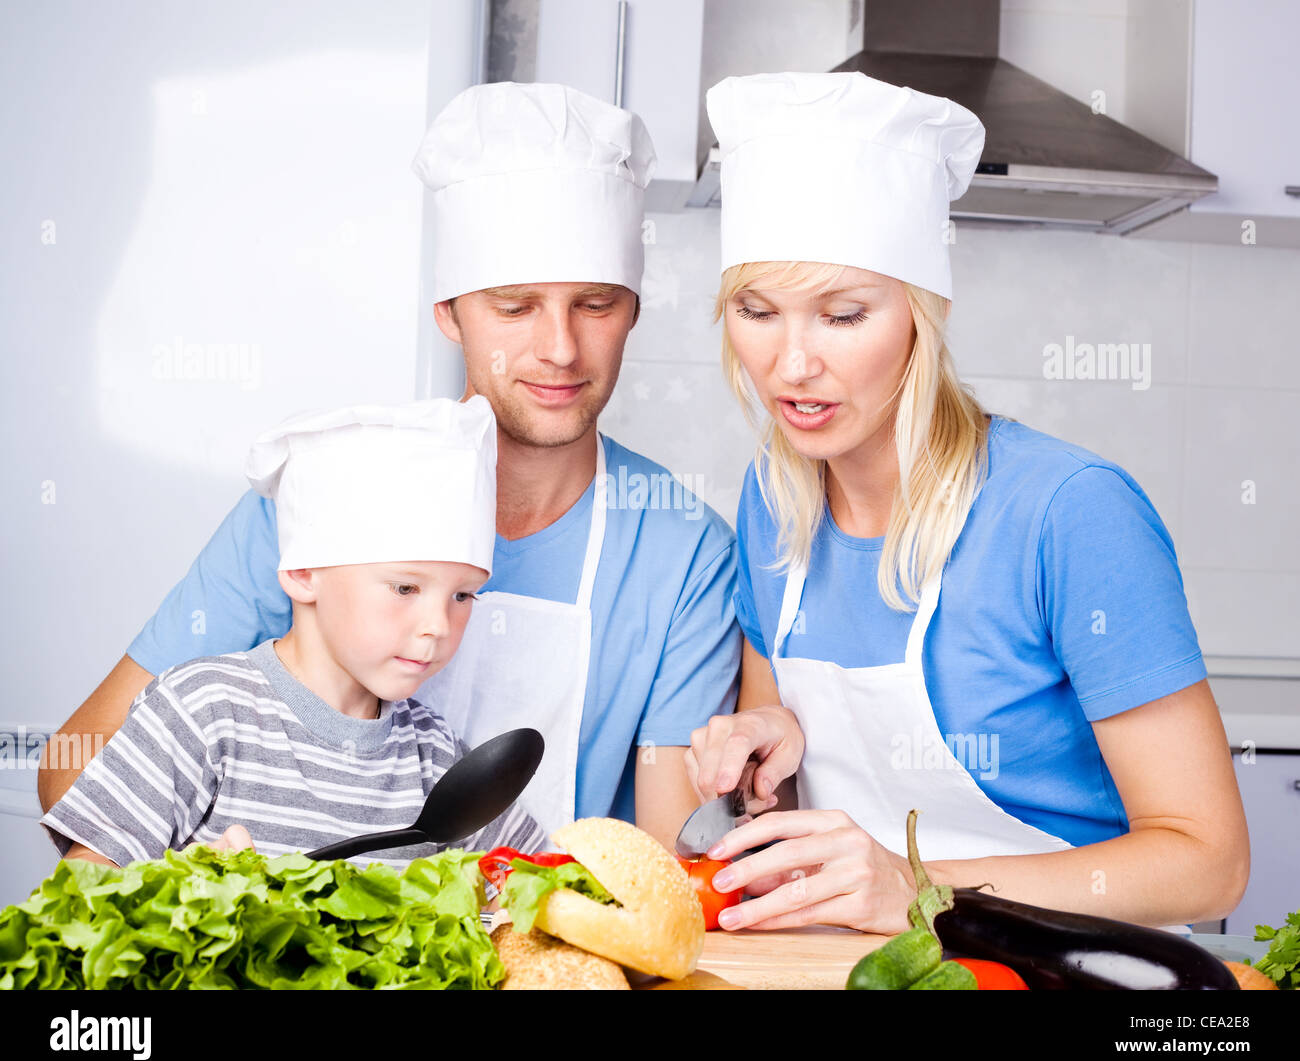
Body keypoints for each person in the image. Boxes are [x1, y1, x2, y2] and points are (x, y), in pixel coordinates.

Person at [38, 81, 753, 849]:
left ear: (634, 311)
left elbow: (667, 871)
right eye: (514, 307)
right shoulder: (323, 496)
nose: (560, 348)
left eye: (597, 303)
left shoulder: (685, 554)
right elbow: (75, 774)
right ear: (448, 313)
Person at [687, 71, 1249, 934]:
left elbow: (1208, 863)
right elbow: (792, 807)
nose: (790, 365)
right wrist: (768, 744)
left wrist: (918, 889)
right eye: (756, 311)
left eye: (842, 315)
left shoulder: (1068, 513)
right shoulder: (776, 497)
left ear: (922, 312)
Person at [40, 398, 545, 868]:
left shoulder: (434, 756)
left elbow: (537, 885)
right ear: (303, 574)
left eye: (463, 595)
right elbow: (85, 890)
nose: (438, 626)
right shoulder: (202, 711)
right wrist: (188, 892)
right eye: (406, 587)